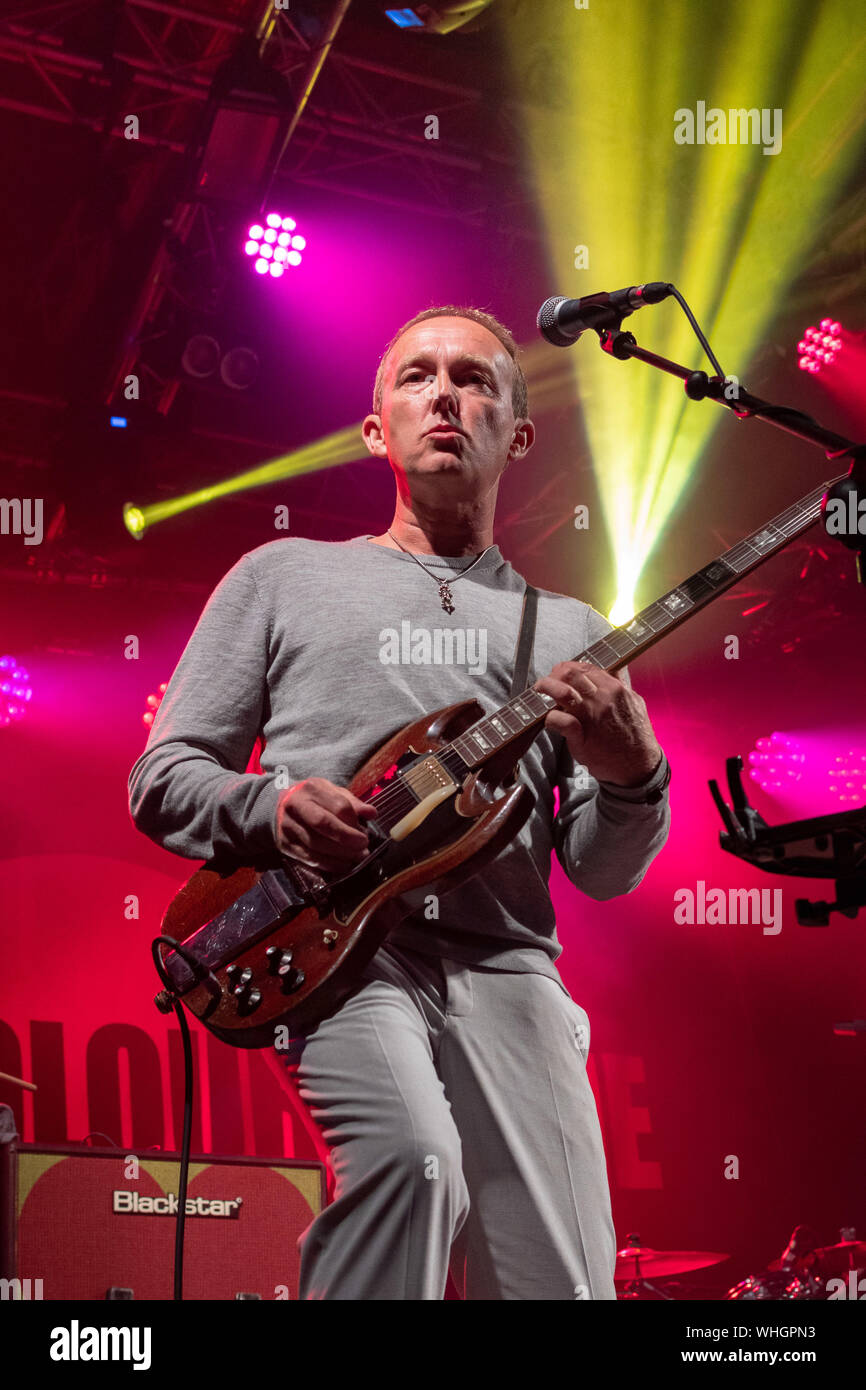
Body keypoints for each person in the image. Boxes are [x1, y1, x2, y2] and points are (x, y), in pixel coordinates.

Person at [128, 304, 671, 1300]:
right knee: (414, 1168)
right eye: (417, 376)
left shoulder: (573, 631)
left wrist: (634, 775)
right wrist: (272, 805)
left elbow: (597, 868)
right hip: (336, 950)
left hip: (508, 965)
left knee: (567, 1281)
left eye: (473, 380)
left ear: (517, 432)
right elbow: (162, 778)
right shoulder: (285, 575)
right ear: (376, 427)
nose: (445, 396)